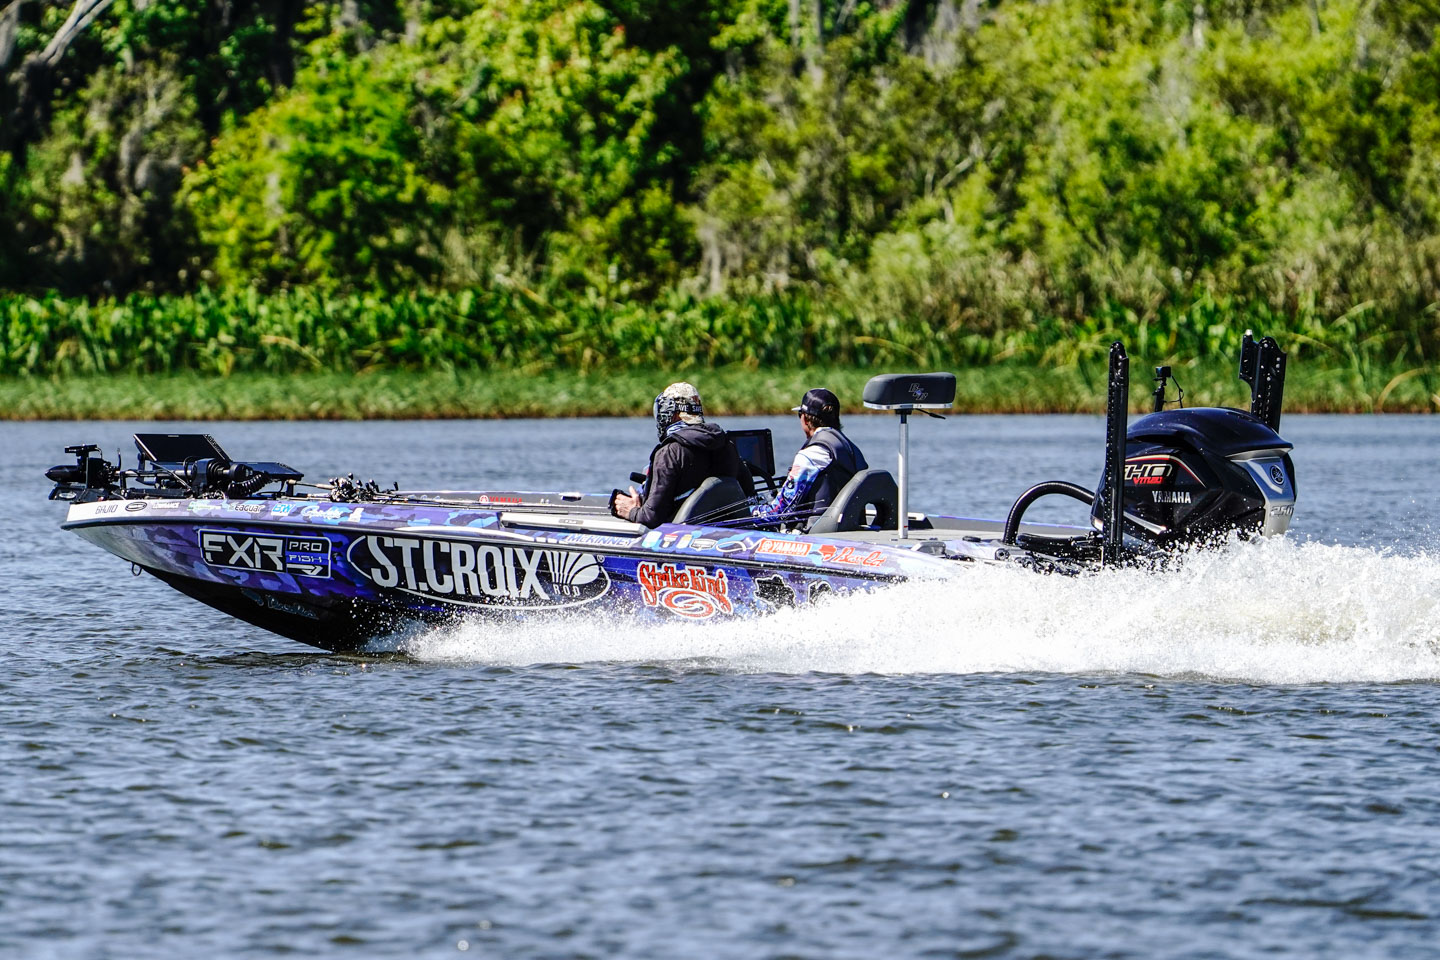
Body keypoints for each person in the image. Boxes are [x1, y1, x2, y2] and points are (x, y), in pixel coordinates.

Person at [611, 382, 756, 527]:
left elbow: (651, 518)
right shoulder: (725, 443)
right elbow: (749, 496)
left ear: (671, 414)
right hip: (727, 531)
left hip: (683, 535)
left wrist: (631, 510)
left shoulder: (669, 452)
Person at [752, 387, 867, 525]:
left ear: (805, 419)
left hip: (819, 533)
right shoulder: (851, 448)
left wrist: (750, 511)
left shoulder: (812, 454)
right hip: (850, 528)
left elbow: (780, 511)